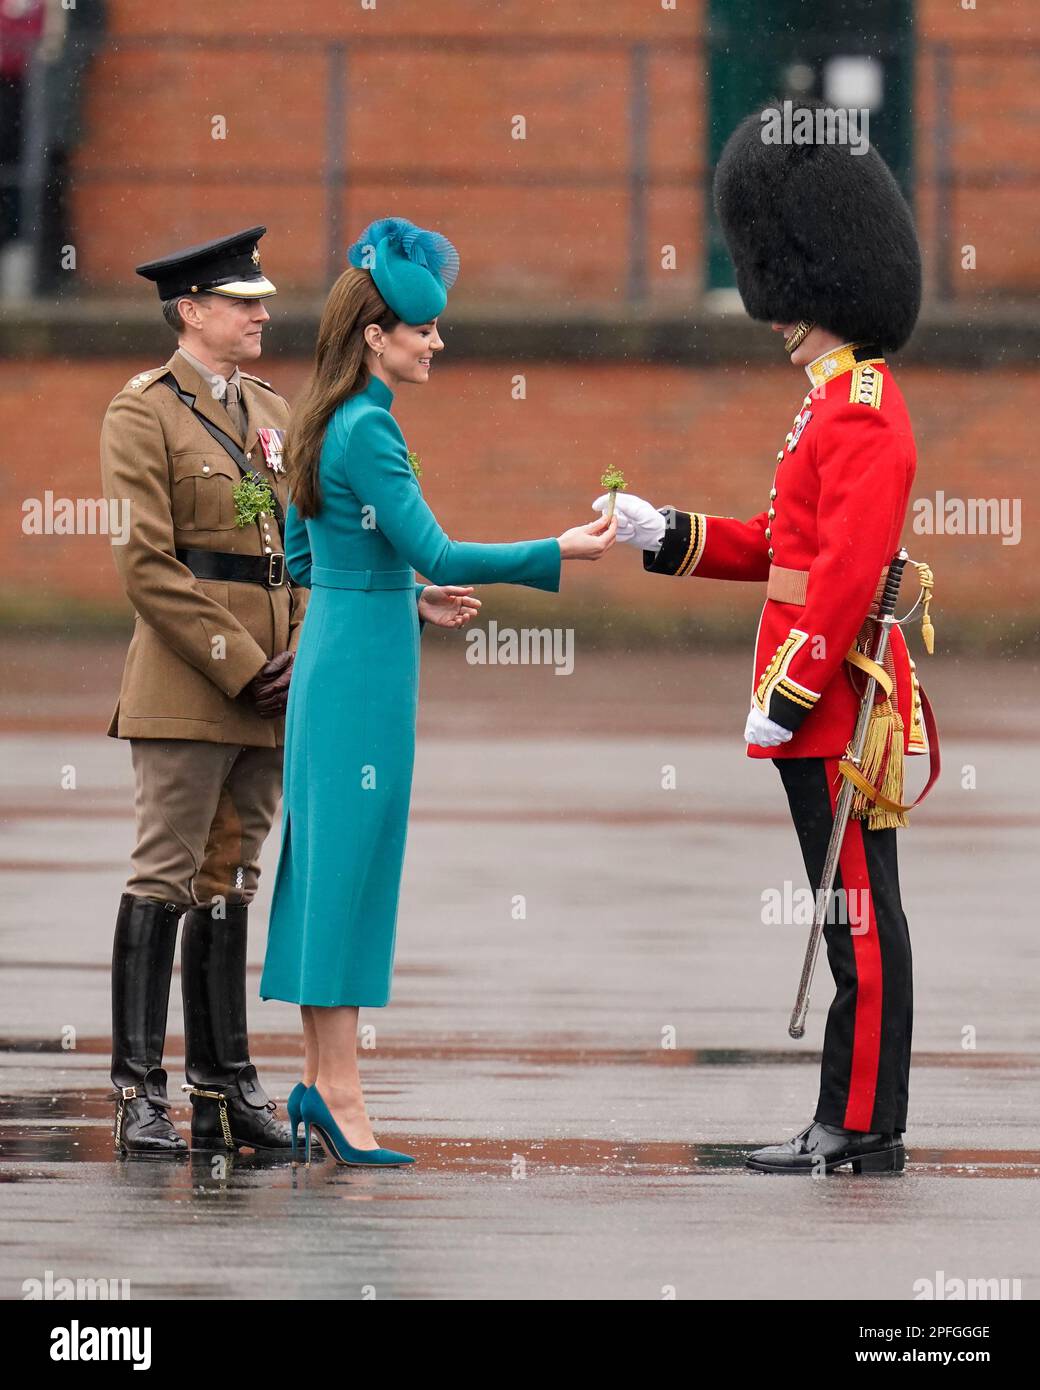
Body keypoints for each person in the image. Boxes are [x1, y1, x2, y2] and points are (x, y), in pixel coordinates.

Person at [595, 112, 937, 1175]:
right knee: (848, 919)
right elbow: (782, 545)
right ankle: (849, 1117)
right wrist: (672, 535)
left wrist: (791, 689)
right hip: (815, 699)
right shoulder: (829, 403)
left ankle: (859, 1123)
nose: (772, 320)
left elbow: (840, 576)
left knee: (859, 923)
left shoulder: (862, 410)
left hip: (835, 701)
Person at [259, 216, 616, 1166]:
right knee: (351, 874)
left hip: (346, 649)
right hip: (364, 676)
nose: (437, 342)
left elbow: (309, 557)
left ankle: (321, 1082)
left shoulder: (325, 418)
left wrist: (400, 597)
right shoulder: (370, 428)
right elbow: (442, 547)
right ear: (376, 335)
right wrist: (558, 551)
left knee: (333, 865)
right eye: (423, 329)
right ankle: (336, 1092)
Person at [100, 227, 307, 1155]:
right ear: (191, 311)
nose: (261, 313)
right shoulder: (142, 412)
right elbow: (147, 565)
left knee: (231, 879)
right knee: (166, 876)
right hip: (195, 679)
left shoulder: (272, 407)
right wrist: (240, 661)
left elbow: (300, 547)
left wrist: (298, 648)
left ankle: (226, 1086)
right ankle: (140, 1093)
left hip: (273, 680)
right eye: (242, 301)